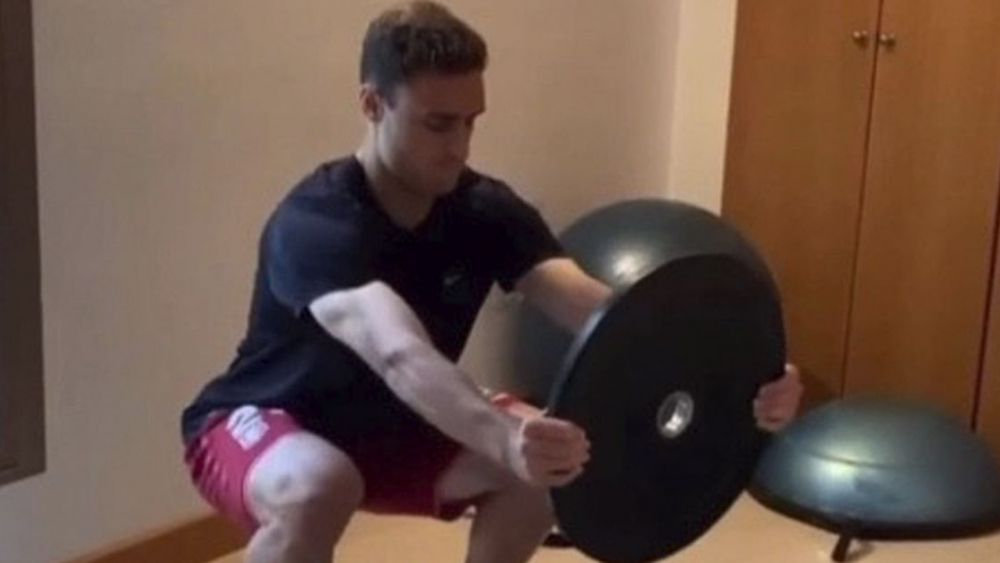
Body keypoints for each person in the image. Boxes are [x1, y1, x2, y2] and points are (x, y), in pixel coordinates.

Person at [180, 2, 804, 562]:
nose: (459, 146)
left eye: (471, 122)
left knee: (549, 459)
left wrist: (746, 375)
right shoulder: (319, 222)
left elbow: (604, 314)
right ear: (372, 104)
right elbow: (399, 354)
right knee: (321, 484)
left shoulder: (482, 209)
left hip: (393, 428)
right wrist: (502, 437)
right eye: (437, 124)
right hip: (270, 418)